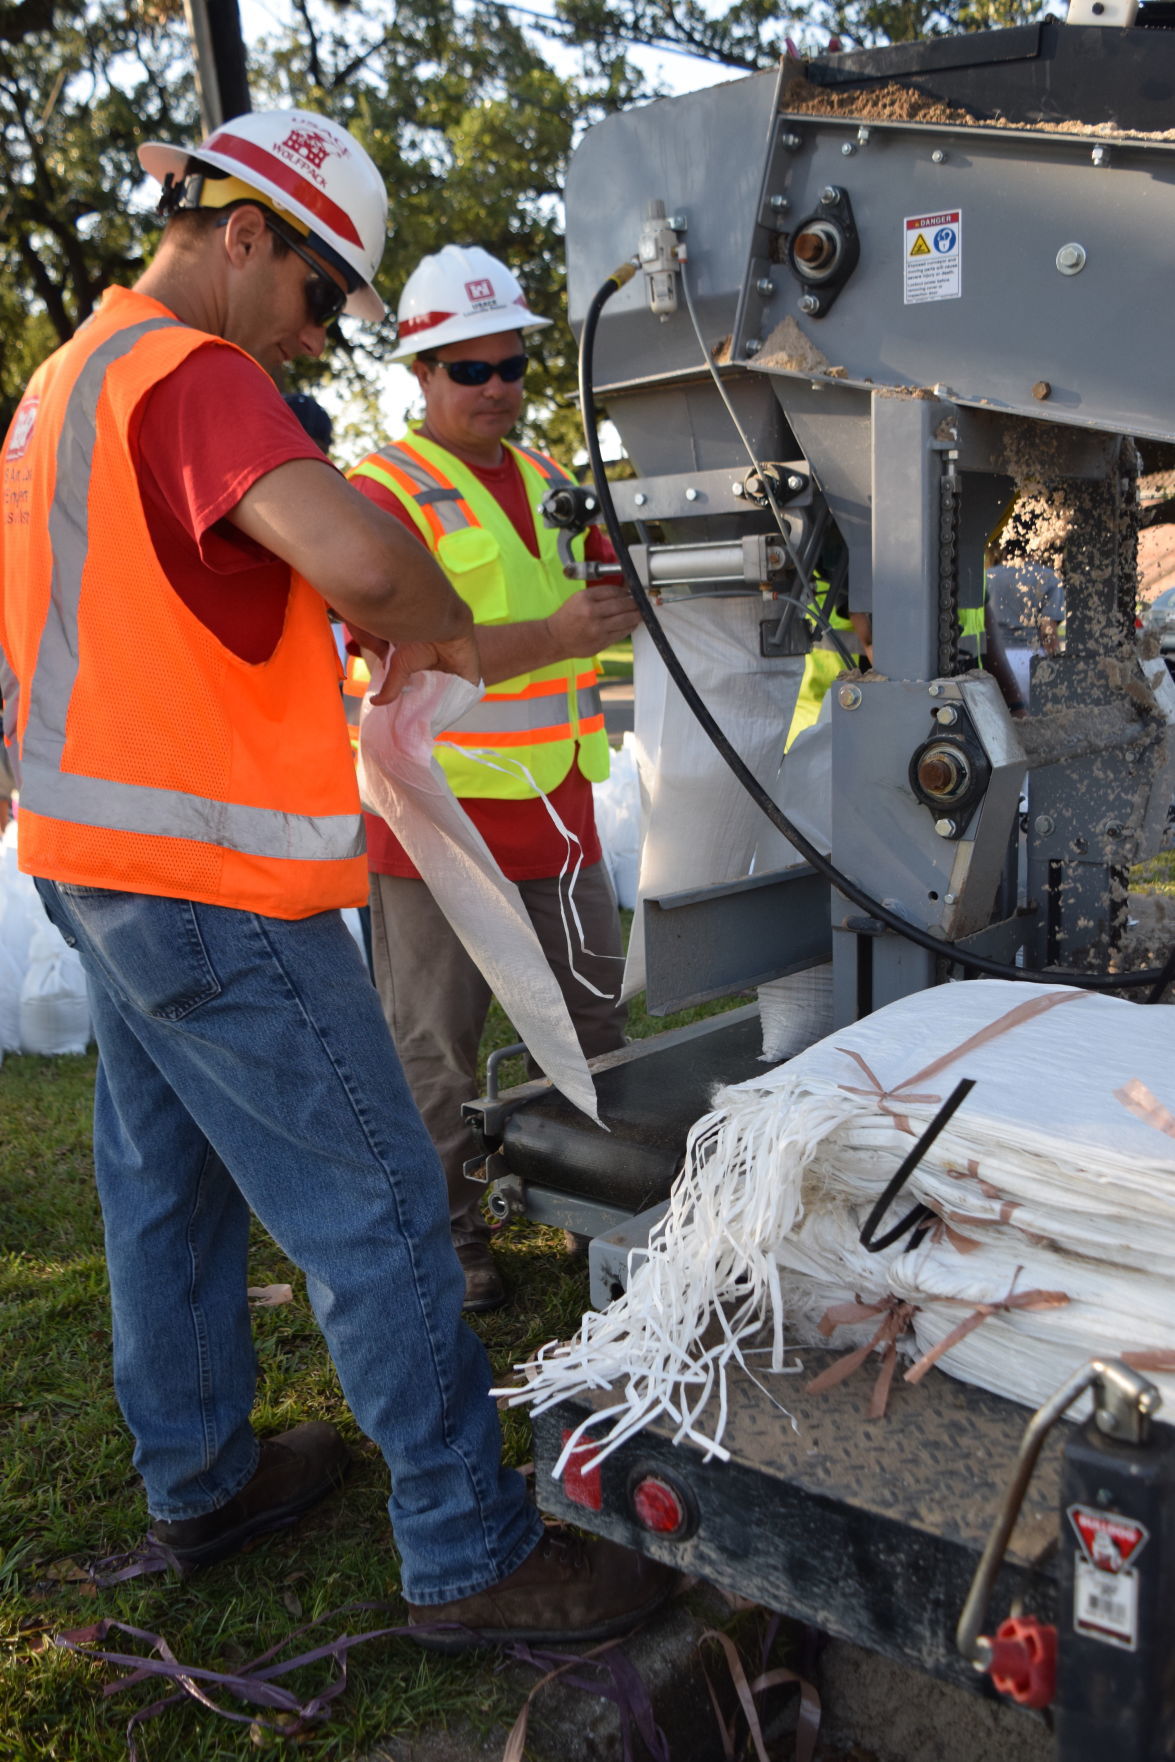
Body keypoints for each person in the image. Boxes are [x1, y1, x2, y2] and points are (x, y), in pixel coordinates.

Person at [0, 110, 669, 1644]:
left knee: (162, 1190)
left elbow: (176, 613)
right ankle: (469, 1548)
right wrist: (419, 610)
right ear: (243, 237)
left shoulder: (61, 388)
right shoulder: (193, 371)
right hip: (212, 885)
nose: (312, 338)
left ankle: (203, 1480)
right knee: (373, 1202)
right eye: (315, 297)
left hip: (93, 867)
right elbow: (365, 570)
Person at [348, 245, 641, 1312]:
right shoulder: (375, 492)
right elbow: (403, 648)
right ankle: (455, 1244)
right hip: (438, 817)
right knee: (435, 1050)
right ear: (419, 373)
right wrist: (563, 632)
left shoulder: (555, 479)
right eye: (467, 369)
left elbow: (602, 584)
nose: (496, 388)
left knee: (594, 1026)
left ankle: (598, 1207)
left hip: (557, 801)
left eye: (510, 365)